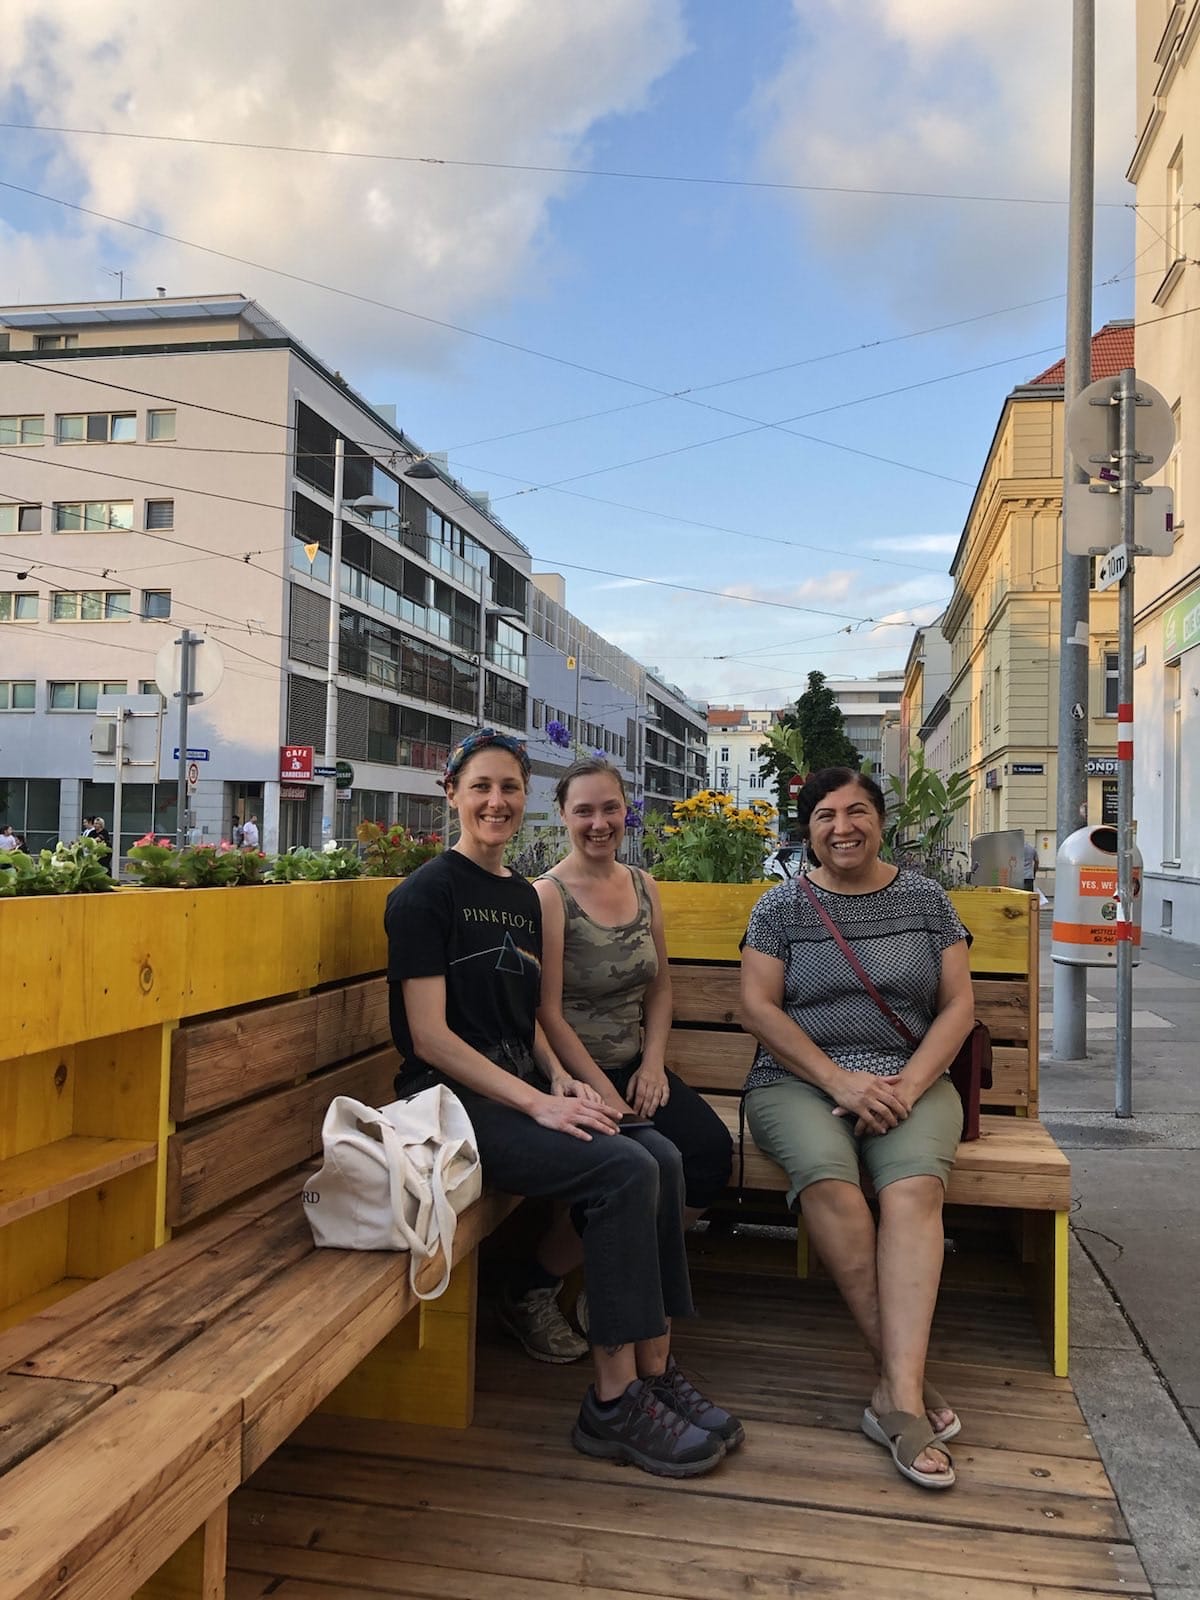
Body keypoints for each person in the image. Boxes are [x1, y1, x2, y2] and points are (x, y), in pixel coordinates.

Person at [385, 728, 740, 1478]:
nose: (495, 801)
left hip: (519, 1091)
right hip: (451, 1105)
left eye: (508, 787)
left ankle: (654, 1368)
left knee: (666, 1159)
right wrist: (540, 1104)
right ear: (451, 794)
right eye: (480, 786)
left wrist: (562, 1079)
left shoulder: (517, 896)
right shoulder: (425, 894)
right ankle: (611, 1406)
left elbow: (530, 1021)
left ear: (523, 801)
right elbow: (431, 1039)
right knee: (622, 1172)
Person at [739, 766, 975, 1490]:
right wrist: (840, 1080)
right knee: (832, 1183)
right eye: (825, 816)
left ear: (880, 820)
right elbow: (758, 1008)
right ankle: (906, 1384)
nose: (843, 826)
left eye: (858, 811)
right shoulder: (781, 907)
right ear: (806, 831)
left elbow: (958, 1006)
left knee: (911, 1192)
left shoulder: (926, 899)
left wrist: (903, 1084)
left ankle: (893, 1395)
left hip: (912, 1079)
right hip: (798, 1081)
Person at [523, 757, 734, 1370]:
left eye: (609, 808)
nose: (598, 823)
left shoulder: (643, 885)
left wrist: (653, 1065)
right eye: (583, 810)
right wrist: (601, 1089)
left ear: (626, 811)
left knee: (706, 1156)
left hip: (635, 1066)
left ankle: (611, 1280)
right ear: (563, 816)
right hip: (567, 1074)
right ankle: (532, 1285)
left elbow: (660, 989)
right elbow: (548, 1012)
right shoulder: (549, 896)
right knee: (632, 1165)